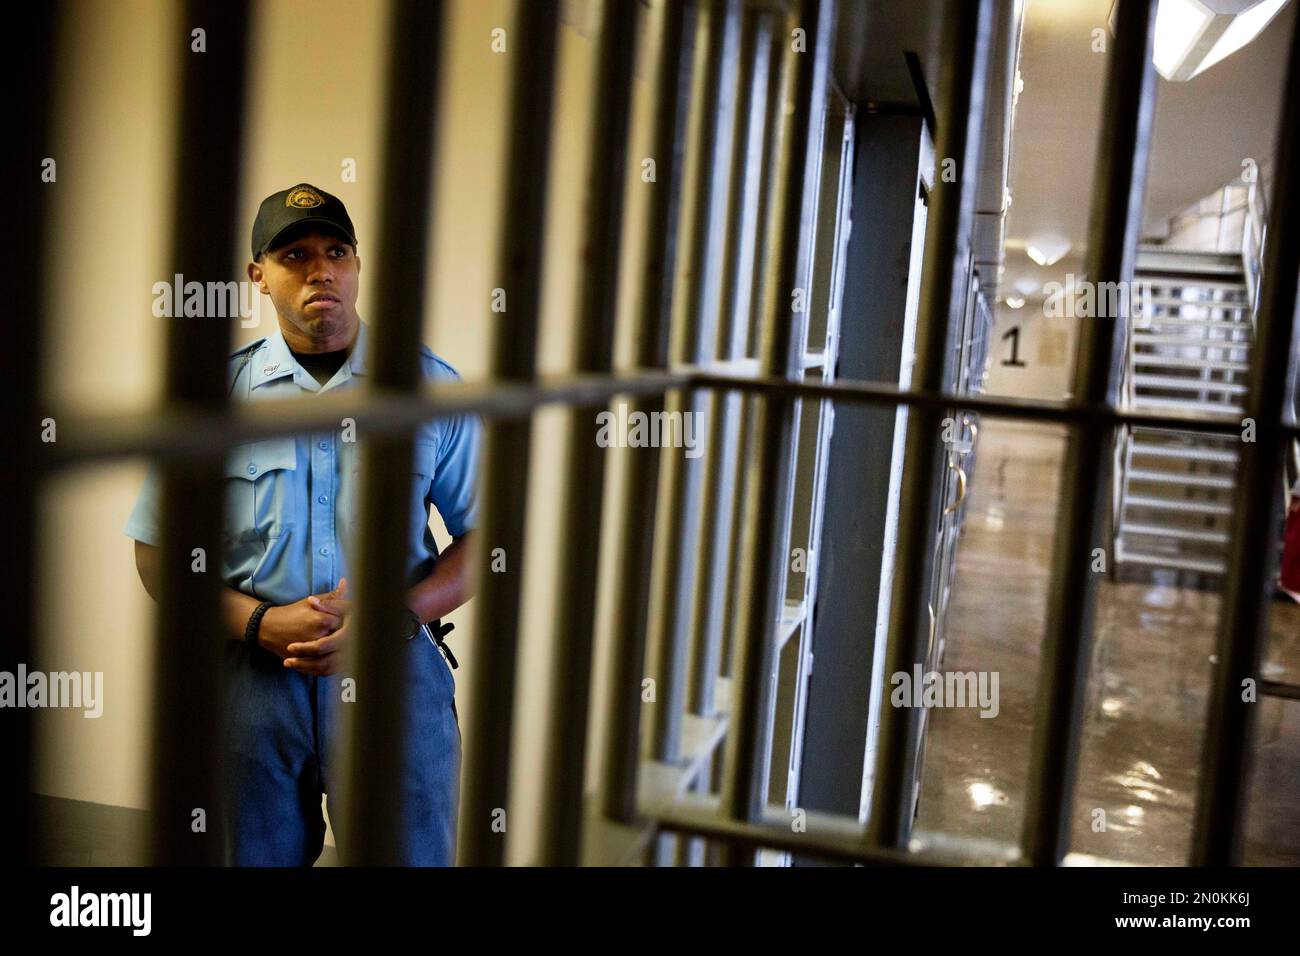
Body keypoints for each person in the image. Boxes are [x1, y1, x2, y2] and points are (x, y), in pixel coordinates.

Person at [126, 182, 480, 865]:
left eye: (337, 251)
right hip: (250, 688)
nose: (321, 269)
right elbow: (155, 552)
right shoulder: (216, 401)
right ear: (258, 275)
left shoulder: (431, 391)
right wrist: (258, 623)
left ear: (357, 264)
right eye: (294, 255)